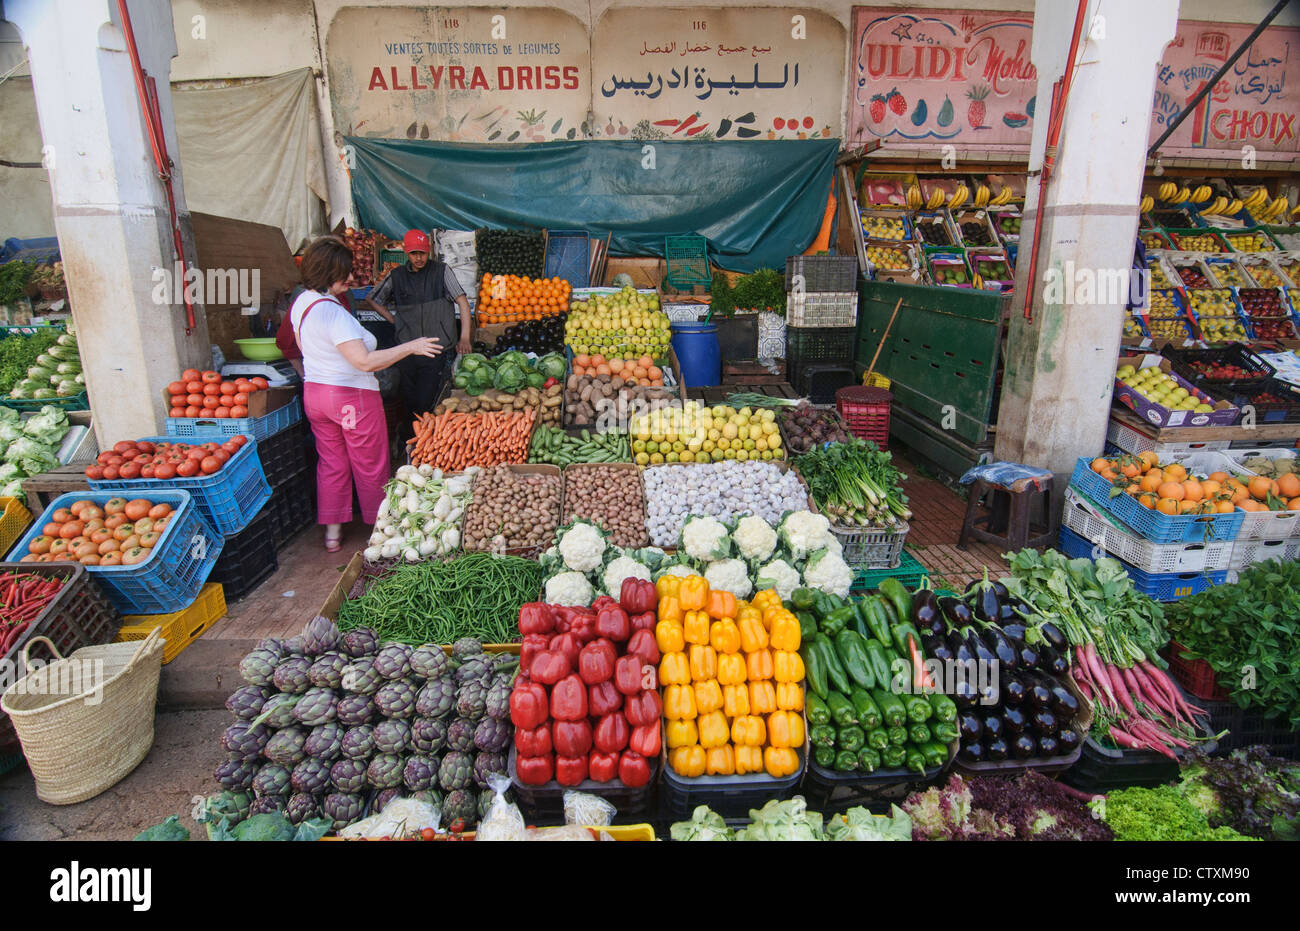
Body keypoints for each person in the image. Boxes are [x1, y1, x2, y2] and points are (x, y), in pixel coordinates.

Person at [291, 236, 442, 552]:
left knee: (331, 463)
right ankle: (382, 532)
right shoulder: (333, 314)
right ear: (328, 271)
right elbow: (363, 361)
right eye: (344, 273)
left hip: (316, 394)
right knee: (370, 463)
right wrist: (410, 347)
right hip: (350, 398)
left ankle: (333, 535)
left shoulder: (302, 304)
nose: (349, 279)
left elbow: (308, 349)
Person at [365, 229, 473, 419]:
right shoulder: (396, 276)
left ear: (429, 251)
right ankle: (410, 440)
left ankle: (424, 438)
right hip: (407, 350)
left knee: (429, 402)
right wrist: (394, 320)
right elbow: (373, 299)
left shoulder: (441, 271)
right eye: (414, 253)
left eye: (422, 253)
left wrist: (464, 337)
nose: (419, 258)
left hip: (437, 349)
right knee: (409, 401)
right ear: (407, 252)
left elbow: (462, 302)